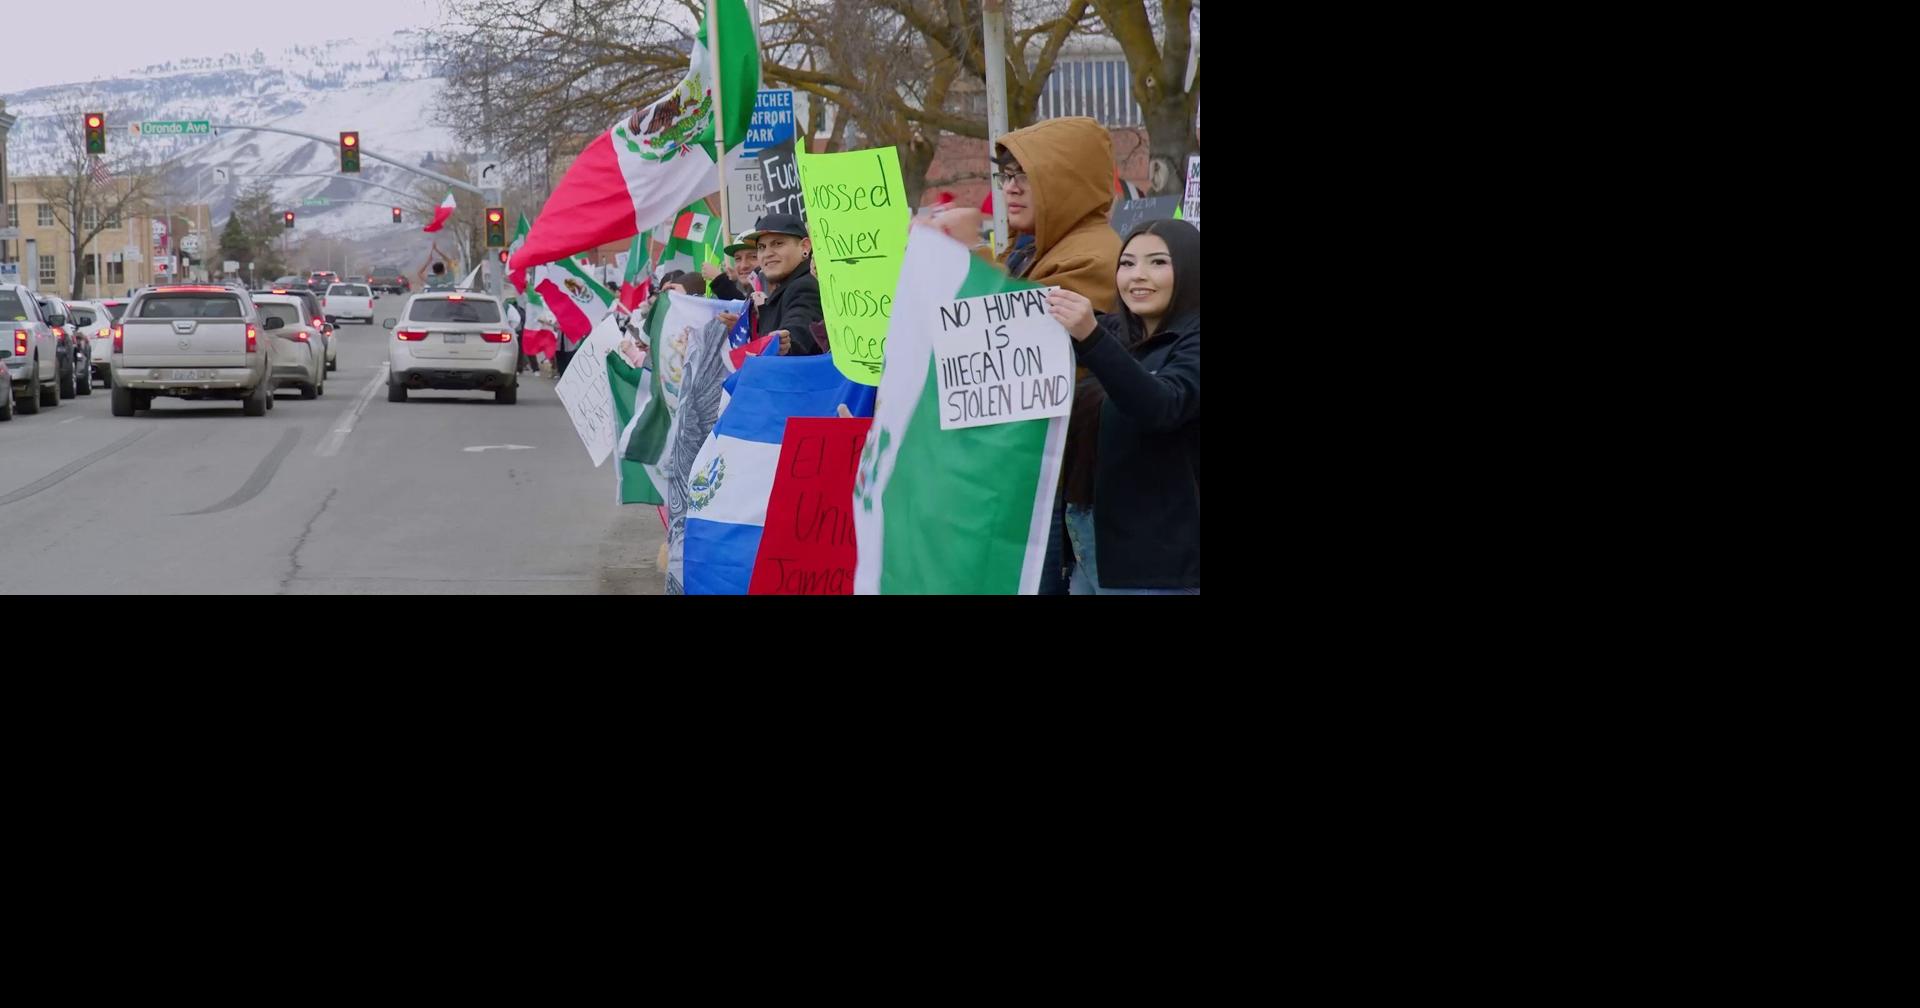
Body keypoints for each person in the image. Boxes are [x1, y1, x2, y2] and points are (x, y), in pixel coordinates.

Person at [1044, 219, 1200, 594]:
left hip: (1157, 569)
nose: (1138, 276)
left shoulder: (1191, 341)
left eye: (1158, 263)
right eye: (1127, 263)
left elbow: (1161, 405)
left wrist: (1091, 339)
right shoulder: (1122, 333)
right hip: (1090, 551)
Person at [746, 212, 822, 356]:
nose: (767, 254)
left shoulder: (804, 286)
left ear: (805, 247)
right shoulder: (786, 287)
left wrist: (787, 343)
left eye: (778, 243)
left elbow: (799, 327)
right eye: (761, 247)